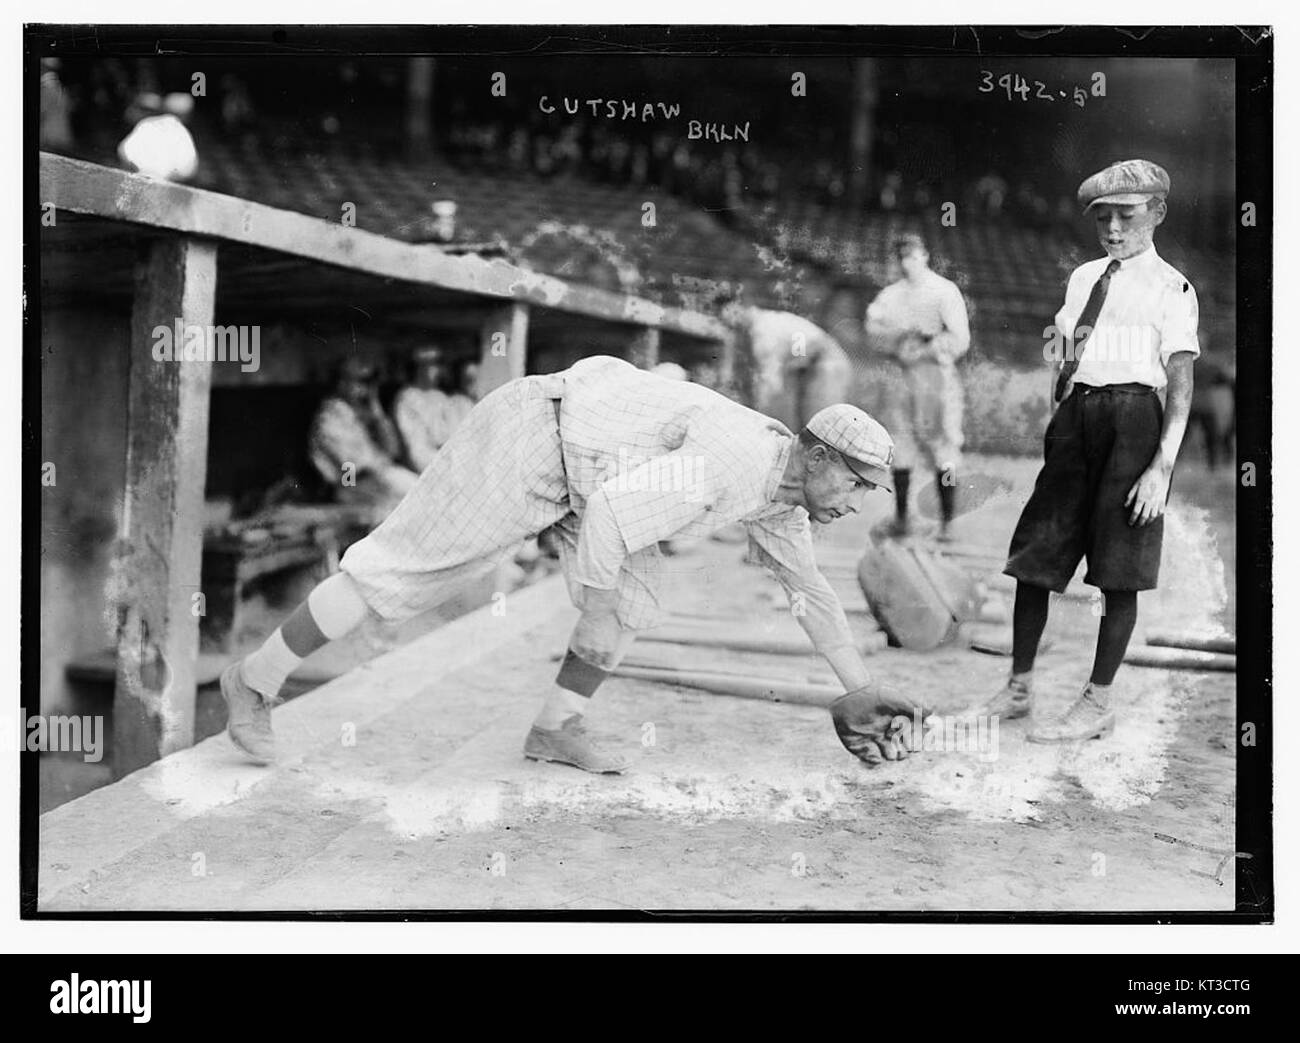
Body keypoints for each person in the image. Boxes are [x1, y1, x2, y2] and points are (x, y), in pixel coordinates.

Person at [221, 356, 926, 773]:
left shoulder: (785, 498)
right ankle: (254, 680)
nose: (864, 502)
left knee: (633, 601)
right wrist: (591, 595)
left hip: (592, 463)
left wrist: (858, 685)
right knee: (399, 572)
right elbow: (618, 514)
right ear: (822, 460)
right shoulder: (736, 465)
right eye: (861, 483)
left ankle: (555, 725)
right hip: (538, 433)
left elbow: (812, 593)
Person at [982, 159, 1199, 743]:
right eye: (1102, 218)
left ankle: (1097, 700)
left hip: (1134, 421)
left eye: (1126, 216)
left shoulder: (1173, 287)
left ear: (1156, 213)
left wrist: (1161, 468)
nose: (1112, 229)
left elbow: (1179, 387)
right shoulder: (1083, 278)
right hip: (1078, 416)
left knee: (1117, 571)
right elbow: (1066, 349)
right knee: (1036, 556)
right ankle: (1020, 686)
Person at [864, 234, 971, 541]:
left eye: (913, 255)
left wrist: (927, 345)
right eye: (901, 257)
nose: (907, 262)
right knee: (900, 443)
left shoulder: (943, 290)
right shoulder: (890, 295)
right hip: (901, 374)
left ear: (925, 255)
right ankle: (900, 518)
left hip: (934, 374)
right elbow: (872, 329)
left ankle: (948, 522)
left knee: (944, 445)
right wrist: (898, 339)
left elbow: (960, 339)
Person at [308, 357, 419, 525]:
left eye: (369, 383)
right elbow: (350, 468)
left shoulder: (363, 414)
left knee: (420, 494)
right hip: (347, 487)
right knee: (409, 502)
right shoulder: (329, 417)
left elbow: (393, 450)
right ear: (342, 383)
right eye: (360, 382)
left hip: (377, 479)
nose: (366, 389)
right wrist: (378, 475)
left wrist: (377, 413)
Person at [392, 346, 458, 473]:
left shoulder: (441, 397)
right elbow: (414, 448)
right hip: (426, 460)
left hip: (449, 456)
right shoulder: (407, 398)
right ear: (418, 369)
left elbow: (455, 434)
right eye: (428, 366)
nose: (435, 371)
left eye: (436, 366)